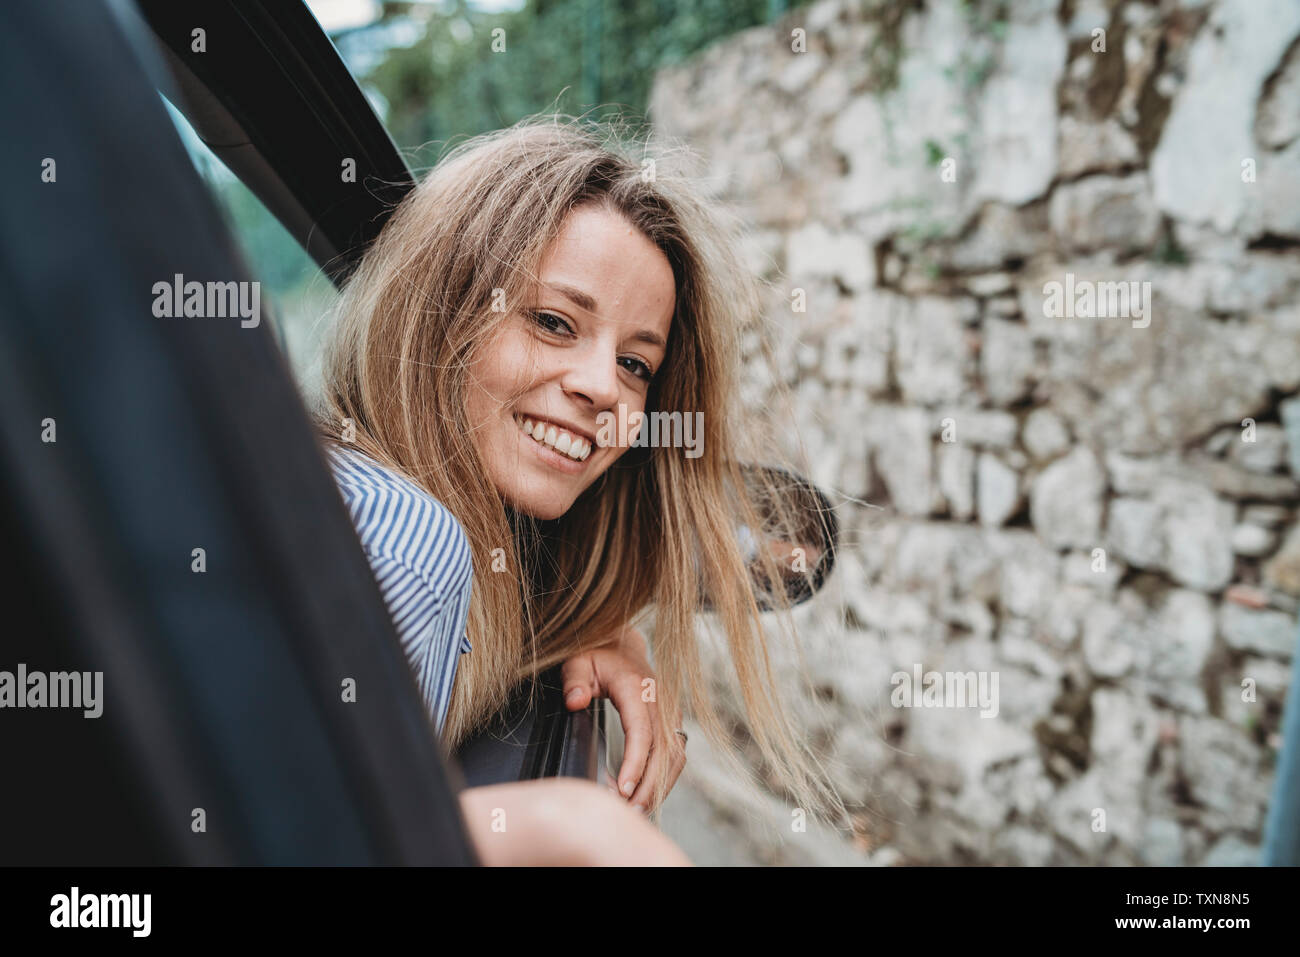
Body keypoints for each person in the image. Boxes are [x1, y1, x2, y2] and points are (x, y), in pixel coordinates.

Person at [315, 116, 845, 864]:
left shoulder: (366, 505)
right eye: (554, 321)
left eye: (636, 365)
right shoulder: (405, 536)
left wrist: (587, 620)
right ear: (437, 313)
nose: (605, 388)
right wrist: (567, 824)